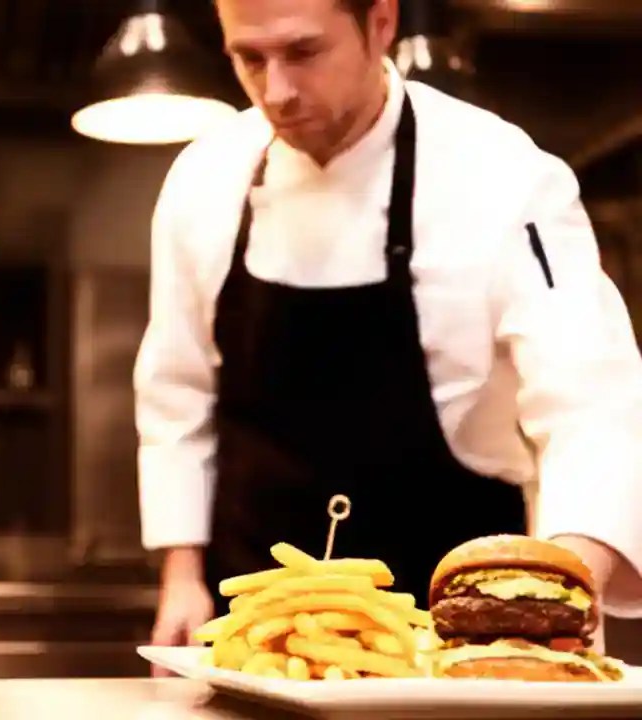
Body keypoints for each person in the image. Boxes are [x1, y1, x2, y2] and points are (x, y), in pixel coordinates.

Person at [134, 0, 642, 658]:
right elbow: (177, 394)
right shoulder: (205, 178)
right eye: (249, 59)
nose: (277, 92)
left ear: (381, 24)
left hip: (458, 635)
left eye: (303, 53)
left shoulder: (502, 176)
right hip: (254, 636)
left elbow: (592, 400)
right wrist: (181, 577)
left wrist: (559, 595)